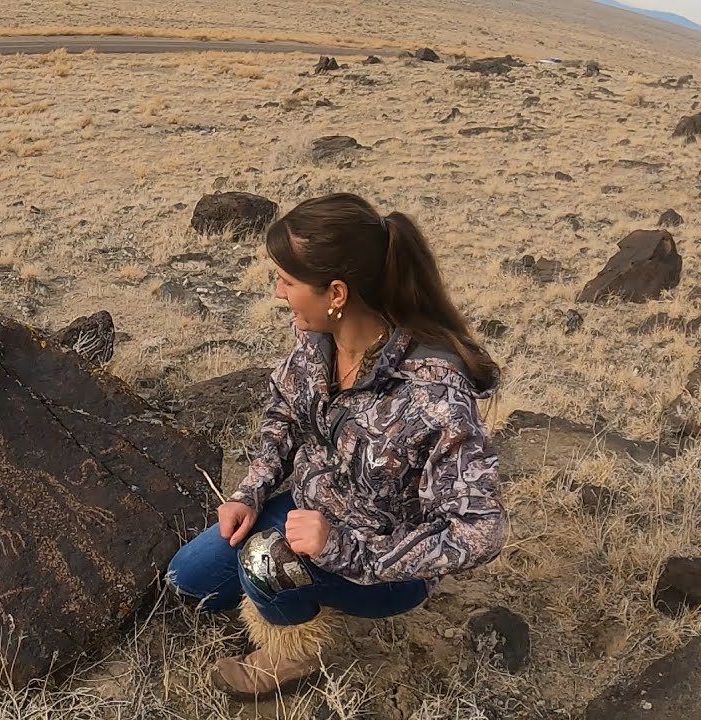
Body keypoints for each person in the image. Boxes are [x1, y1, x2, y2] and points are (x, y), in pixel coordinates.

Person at [166, 192, 507, 699]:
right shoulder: (317, 337)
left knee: (261, 561)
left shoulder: (433, 392)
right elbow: (282, 413)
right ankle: (292, 584)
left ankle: (292, 654)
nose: (278, 294)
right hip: (306, 510)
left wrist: (346, 550)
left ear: (337, 293)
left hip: (381, 557)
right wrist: (250, 493)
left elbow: (482, 531)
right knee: (188, 583)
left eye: (286, 281)